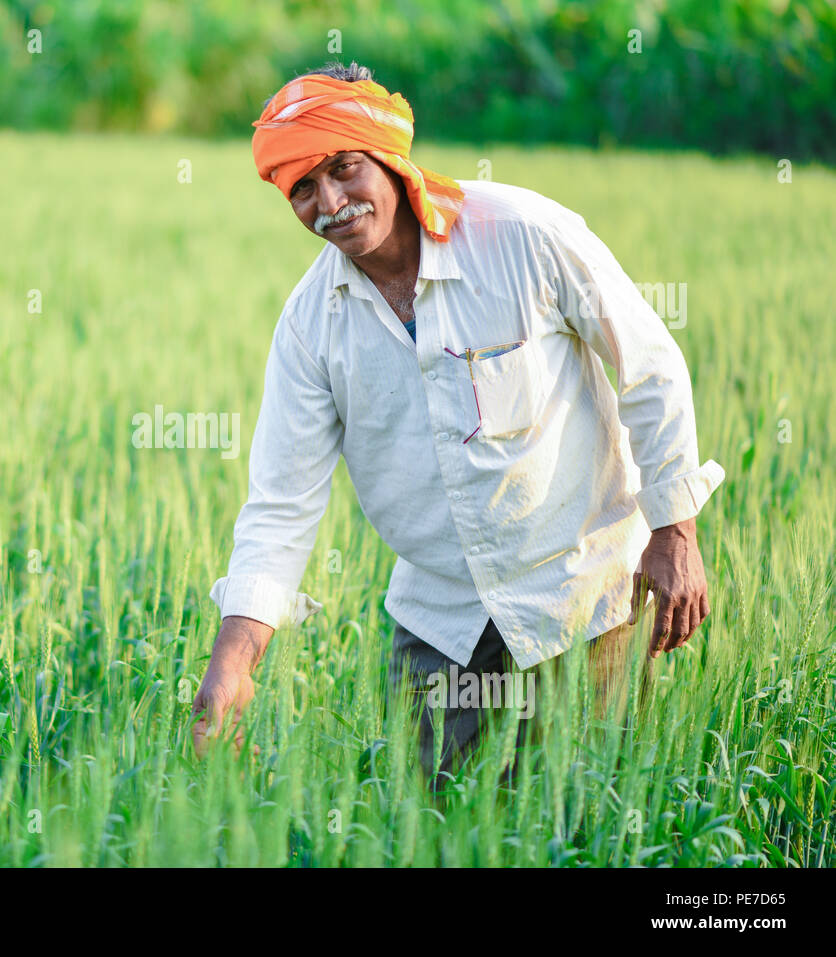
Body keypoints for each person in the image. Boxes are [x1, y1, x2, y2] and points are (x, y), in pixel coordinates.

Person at [190, 61, 725, 777]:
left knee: (591, 823)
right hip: (441, 618)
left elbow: (649, 365)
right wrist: (233, 664)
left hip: (584, 598)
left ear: (389, 156)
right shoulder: (311, 327)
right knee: (432, 830)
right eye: (303, 190)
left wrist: (673, 527)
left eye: (345, 168)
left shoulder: (521, 235)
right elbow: (281, 506)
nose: (331, 202)